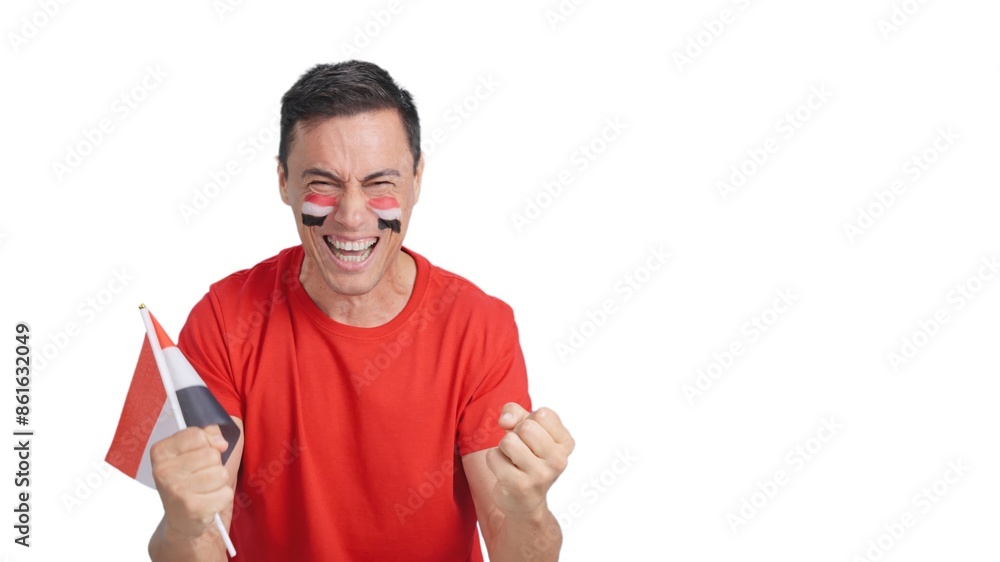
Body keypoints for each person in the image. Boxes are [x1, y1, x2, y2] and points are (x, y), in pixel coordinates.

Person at [146, 60, 574, 561]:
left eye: (379, 183)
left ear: (416, 178)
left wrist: (529, 511)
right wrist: (181, 523)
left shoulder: (479, 326)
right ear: (283, 182)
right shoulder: (225, 318)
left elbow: (515, 546)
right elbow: (200, 534)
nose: (352, 217)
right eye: (322, 183)